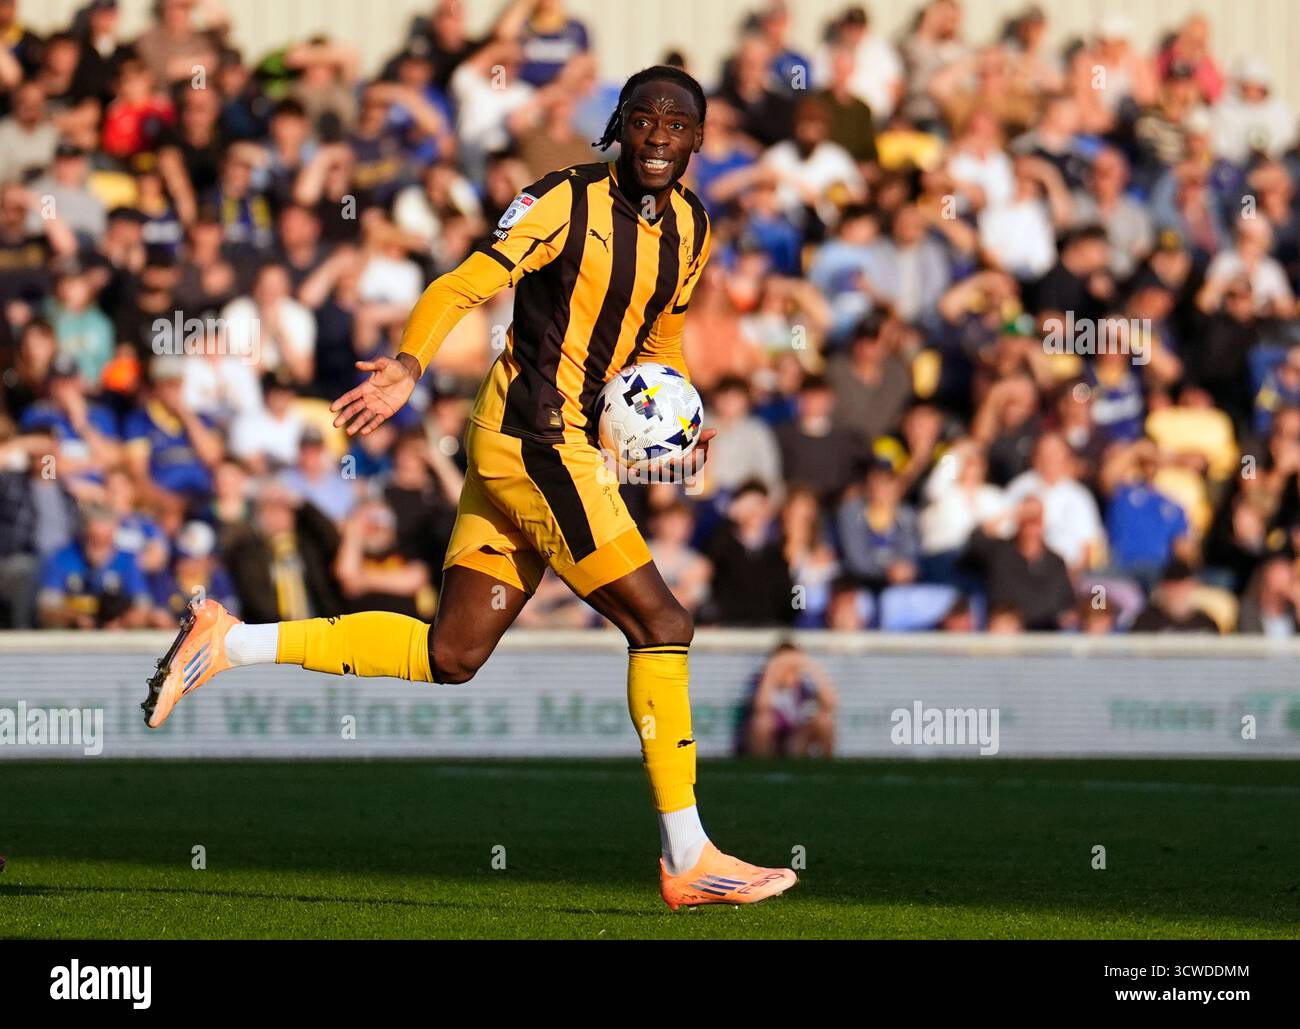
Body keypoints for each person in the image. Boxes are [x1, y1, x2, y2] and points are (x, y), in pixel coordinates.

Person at [141, 66, 797, 912]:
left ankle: (226, 641)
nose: (661, 136)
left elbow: (659, 333)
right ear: (618, 128)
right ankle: (688, 853)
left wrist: (667, 422)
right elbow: (462, 283)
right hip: (534, 441)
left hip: (554, 446)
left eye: (678, 123)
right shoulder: (562, 201)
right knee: (664, 621)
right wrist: (412, 363)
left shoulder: (695, 227)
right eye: (645, 119)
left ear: (700, 140)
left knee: (452, 653)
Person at [740, 641, 837, 757]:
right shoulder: (761, 682)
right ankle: (761, 767)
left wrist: (810, 666)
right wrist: (772, 672)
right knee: (762, 723)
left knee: (824, 720)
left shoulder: (804, 686)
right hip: (773, 741)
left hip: (797, 739)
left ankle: (826, 769)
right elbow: (761, 707)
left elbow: (831, 703)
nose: (789, 670)